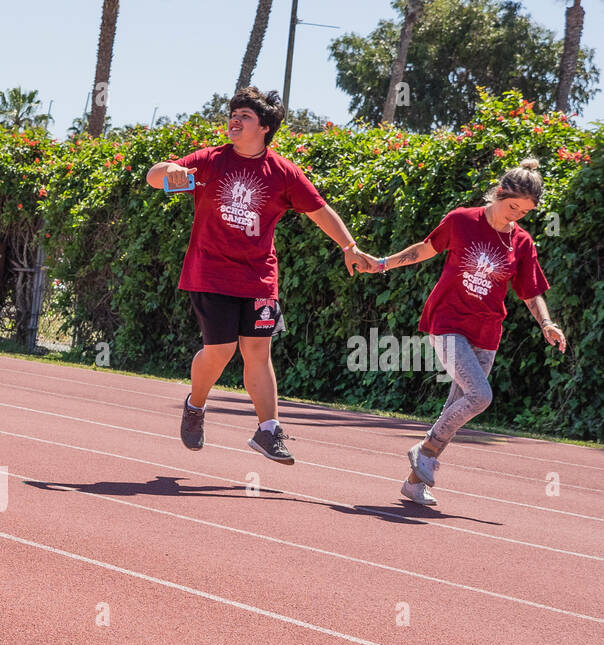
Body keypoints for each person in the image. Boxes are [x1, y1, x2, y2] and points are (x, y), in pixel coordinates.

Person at [146, 87, 369, 464]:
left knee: (257, 352)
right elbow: (154, 178)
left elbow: (320, 210)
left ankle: (268, 431)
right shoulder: (209, 161)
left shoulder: (283, 173)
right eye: (233, 113)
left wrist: (349, 247)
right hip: (210, 274)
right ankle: (195, 405)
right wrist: (169, 171)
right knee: (220, 351)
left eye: (245, 116)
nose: (235, 119)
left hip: (258, 278)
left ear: (265, 127)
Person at [358, 159, 566, 506]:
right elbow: (424, 249)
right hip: (448, 324)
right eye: (512, 206)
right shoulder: (461, 220)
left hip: (486, 332)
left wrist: (546, 323)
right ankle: (424, 449)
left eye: (524, 212)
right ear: (499, 193)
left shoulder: (523, 243)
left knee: (458, 405)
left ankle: (415, 481)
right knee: (480, 397)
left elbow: (530, 292)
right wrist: (382, 263)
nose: (516, 215)